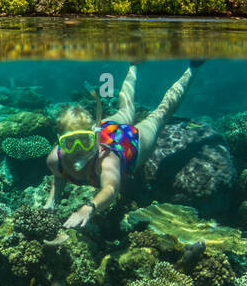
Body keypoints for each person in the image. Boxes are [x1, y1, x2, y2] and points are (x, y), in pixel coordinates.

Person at [45, 61, 203, 230]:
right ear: (59, 141)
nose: (78, 149)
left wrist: (88, 208)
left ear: (93, 135)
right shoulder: (55, 160)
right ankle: (135, 65)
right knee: (125, 111)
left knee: (158, 116)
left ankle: (191, 68)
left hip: (127, 143)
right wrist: (51, 201)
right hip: (104, 130)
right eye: (70, 142)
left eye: (84, 140)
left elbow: (111, 188)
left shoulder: (105, 160)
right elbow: (60, 176)